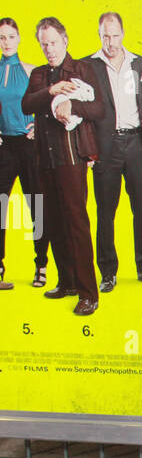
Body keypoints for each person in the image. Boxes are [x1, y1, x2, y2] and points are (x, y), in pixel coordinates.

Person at [22, 18, 103, 316]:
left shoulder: (82, 69)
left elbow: (100, 108)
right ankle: (67, 282)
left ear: (65, 40)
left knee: (77, 224)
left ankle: (88, 293)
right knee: (54, 223)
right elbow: (27, 104)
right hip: (45, 159)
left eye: (53, 42)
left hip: (72, 158)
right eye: (44, 44)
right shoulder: (41, 75)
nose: (49, 49)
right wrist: (53, 90)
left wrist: (74, 106)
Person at [90, 12, 142, 292]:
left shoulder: (138, 63)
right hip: (105, 148)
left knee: (141, 210)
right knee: (105, 212)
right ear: (100, 35)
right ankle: (108, 273)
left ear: (123, 32)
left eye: (115, 34)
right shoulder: (89, 66)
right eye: (105, 35)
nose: (111, 41)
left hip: (136, 145)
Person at [0, 17, 50, 290]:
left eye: (10, 36)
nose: (6, 42)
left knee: (37, 207)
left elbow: (47, 106)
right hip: (4, 147)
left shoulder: (32, 71)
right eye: (1, 38)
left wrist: (38, 128)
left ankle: (41, 264)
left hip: (29, 146)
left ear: (18, 39)